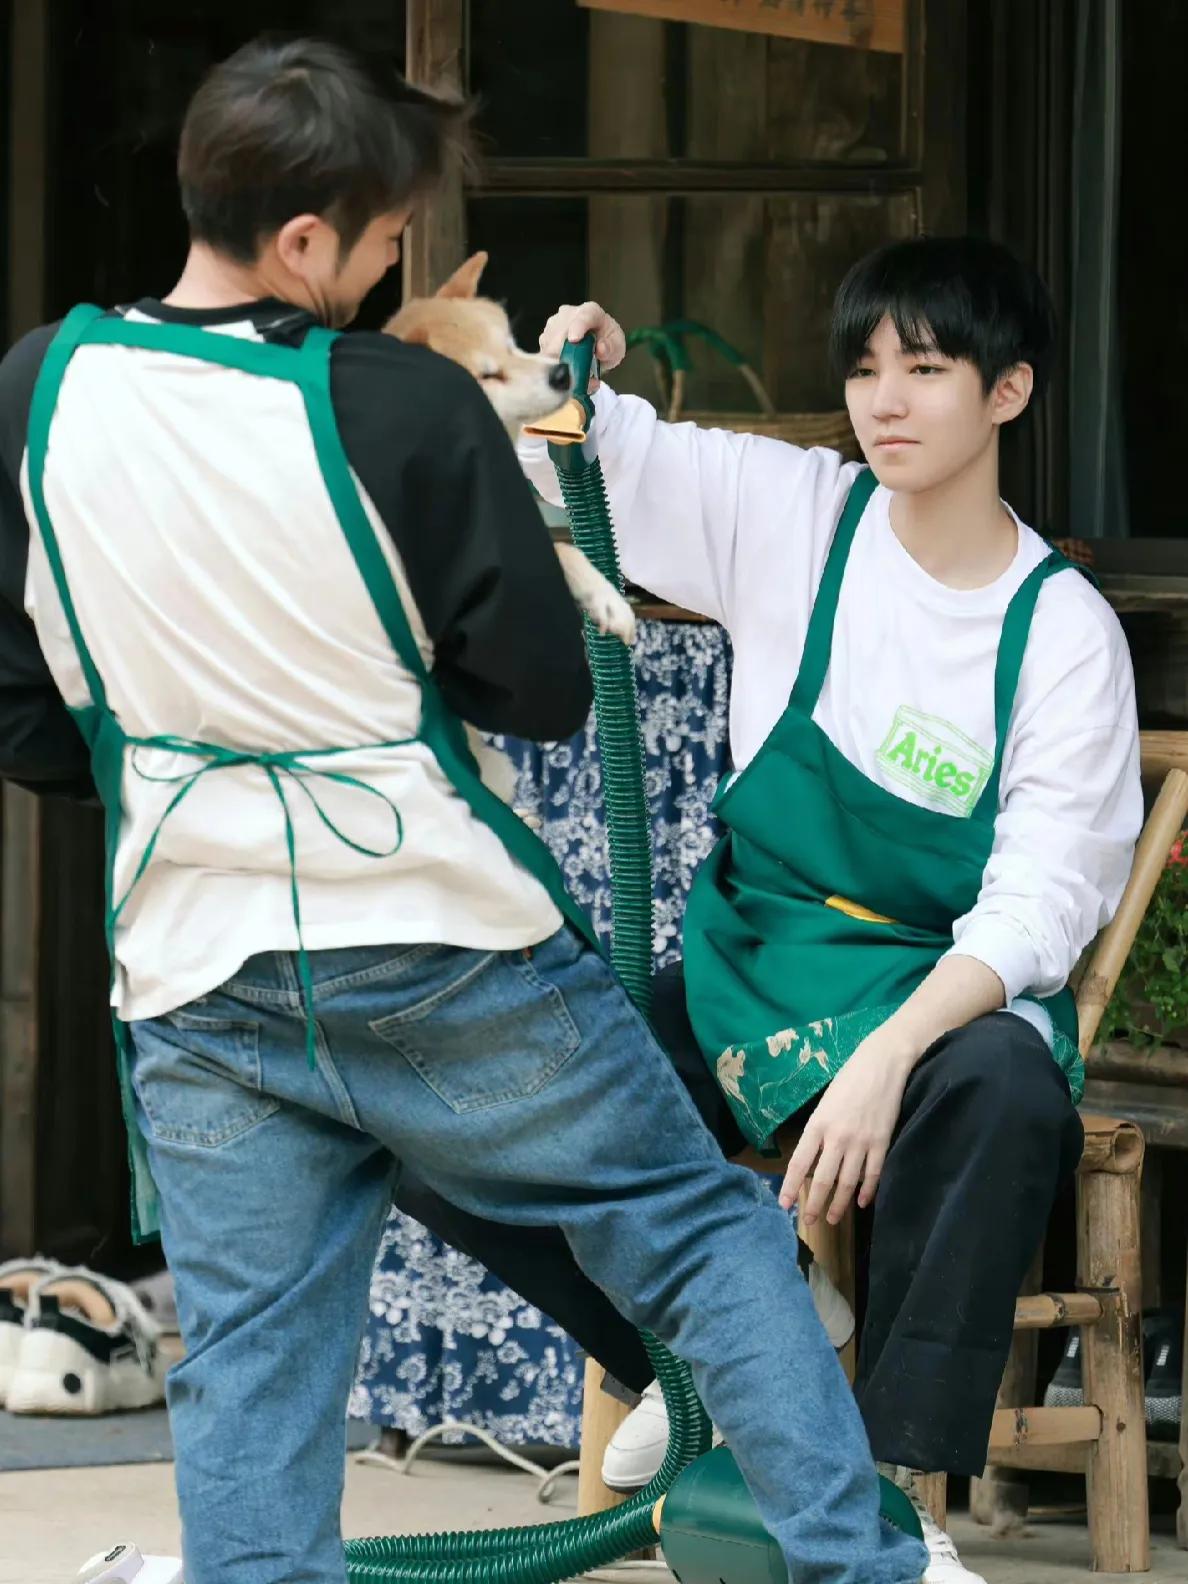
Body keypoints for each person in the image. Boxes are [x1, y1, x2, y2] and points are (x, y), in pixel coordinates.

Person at [0, 37, 927, 1584]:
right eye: (378, 240)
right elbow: (541, 685)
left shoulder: (42, 386)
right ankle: (859, 1570)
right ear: (304, 241)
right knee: (702, 1236)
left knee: (249, 1371)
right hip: (439, 942)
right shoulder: (403, 409)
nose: (384, 273)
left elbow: (36, 719)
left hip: (195, 961)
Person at [505, 236, 1143, 1584]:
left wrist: (886, 1057)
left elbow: (1042, 902)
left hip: (936, 996)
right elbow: (581, 454)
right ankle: (746, 1342)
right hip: (754, 970)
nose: (885, 403)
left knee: (1007, 1093)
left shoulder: (1063, 629)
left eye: (925, 369)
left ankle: (874, 1495)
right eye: (863, 371)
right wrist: (579, 371)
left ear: (1008, 393)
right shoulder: (795, 513)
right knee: (503, 1077)